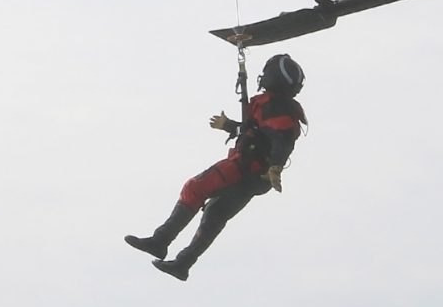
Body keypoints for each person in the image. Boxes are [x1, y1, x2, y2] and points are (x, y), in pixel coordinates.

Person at [125, 54, 307, 280]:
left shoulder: (275, 107)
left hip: (243, 165)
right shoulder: (277, 107)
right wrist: (229, 126)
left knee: (195, 188)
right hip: (254, 177)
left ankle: (161, 241)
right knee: (215, 214)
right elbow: (258, 132)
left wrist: (276, 167)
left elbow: (280, 138)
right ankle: (183, 263)